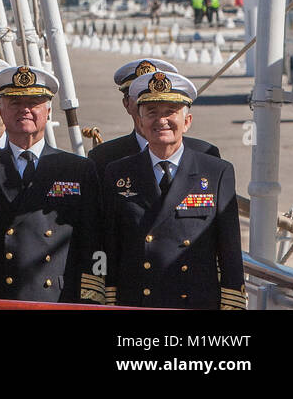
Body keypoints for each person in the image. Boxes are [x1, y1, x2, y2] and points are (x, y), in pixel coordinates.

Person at [0, 65, 103, 304]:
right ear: (2, 110)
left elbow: (93, 241)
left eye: (33, 102)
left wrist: (91, 299)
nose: (24, 110)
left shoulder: (77, 169)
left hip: (59, 300)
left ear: (48, 110)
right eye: (14, 103)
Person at [101, 71, 244, 309]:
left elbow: (230, 250)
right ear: (140, 121)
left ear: (187, 122)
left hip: (196, 303)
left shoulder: (216, 172)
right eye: (152, 113)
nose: (162, 120)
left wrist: (232, 304)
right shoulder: (117, 174)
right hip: (137, 303)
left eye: (170, 112)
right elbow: (110, 246)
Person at [88, 58, 219, 174]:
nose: (161, 120)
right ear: (126, 103)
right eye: (139, 96)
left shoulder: (206, 153)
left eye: (169, 109)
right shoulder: (104, 158)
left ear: (187, 120)